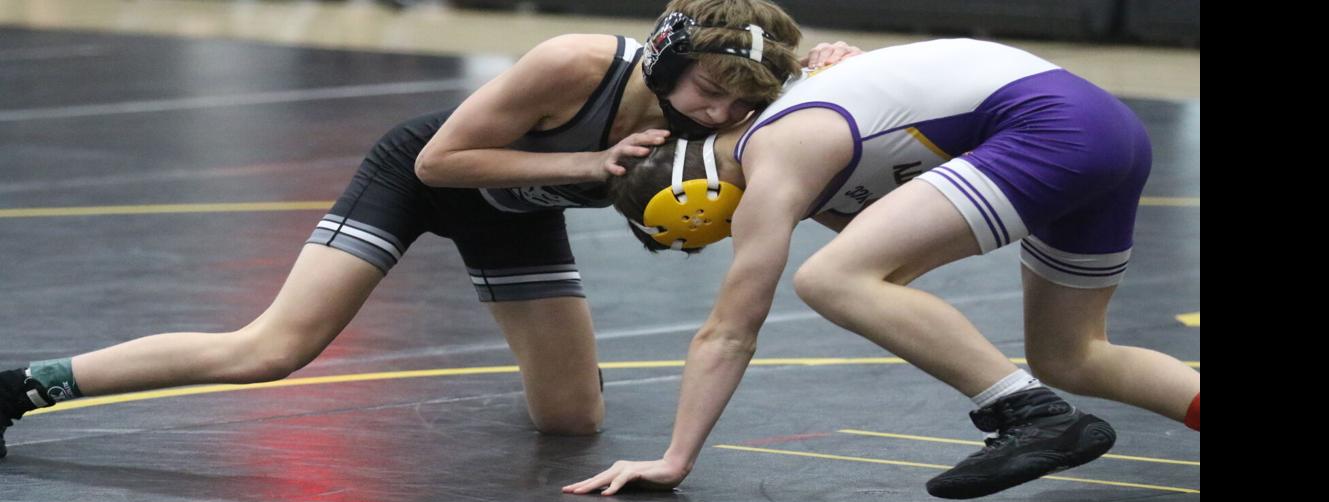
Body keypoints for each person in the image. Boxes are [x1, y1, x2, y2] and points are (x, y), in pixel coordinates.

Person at [1, 0, 861, 459]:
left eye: (740, 101)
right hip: (430, 176)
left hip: (519, 215)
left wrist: (842, 74)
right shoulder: (575, 62)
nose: (721, 112)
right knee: (269, 351)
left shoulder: (737, 103)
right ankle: (18, 387)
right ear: (669, 61)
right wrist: (580, 168)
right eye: (709, 91)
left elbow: (814, 112)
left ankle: (564, 351)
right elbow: (441, 164)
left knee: (572, 422)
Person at [563, 38, 1201, 500]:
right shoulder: (800, 135)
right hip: (1103, 129)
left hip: (1051, 126)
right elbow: (891, 254)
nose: (738, 228)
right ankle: (1047, 400)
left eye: (716, 223)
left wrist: (675, 459)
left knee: (829, 278)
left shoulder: (773, 152)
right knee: (1074, 355)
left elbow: (731, 329)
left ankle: (1032, 415)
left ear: (695, 191)